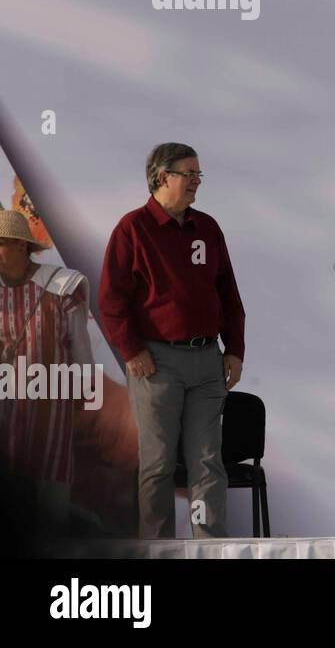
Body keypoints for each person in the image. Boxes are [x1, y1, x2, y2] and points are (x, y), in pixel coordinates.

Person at [98, 143, 245, 539]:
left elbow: (228, 293)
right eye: (189, 174)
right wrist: (131, 351)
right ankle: (156, 547)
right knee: (158, 463)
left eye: (199, 175)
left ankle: (208, 544)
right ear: (163, 178)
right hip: (156, 361)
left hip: (205, 360)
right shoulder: (133, 229)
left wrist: (234, 349)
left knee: (207, 461)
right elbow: (111, 300)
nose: (197, 182)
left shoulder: (208, 228)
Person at [0, 210, 93, 535]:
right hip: (6, 406)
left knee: (50, 490)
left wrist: (84, 390)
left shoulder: (61, 287)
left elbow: (79, 344)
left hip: (50, 402)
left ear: (22, 246)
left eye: (1, 244)